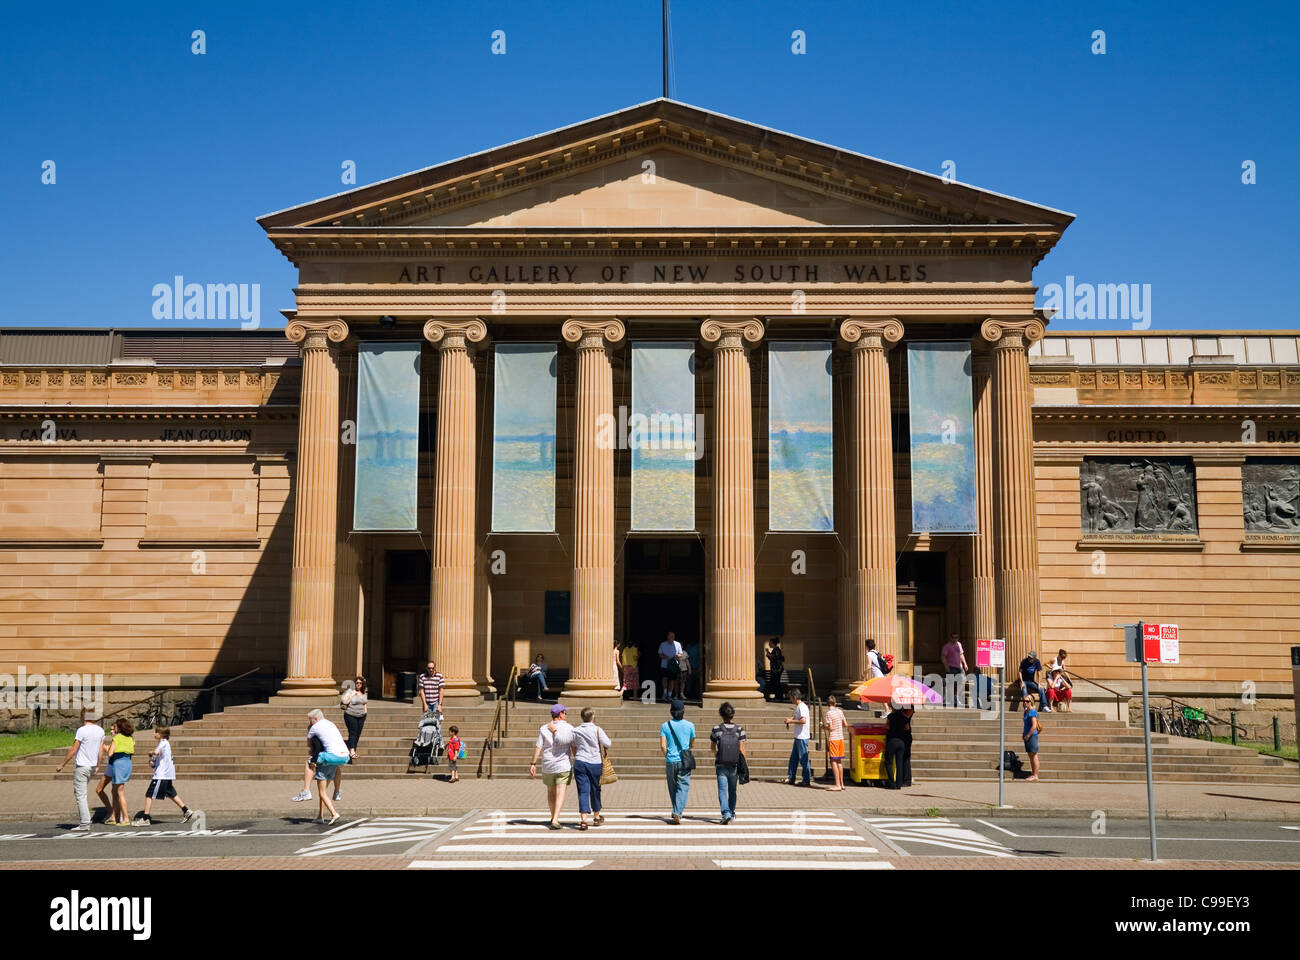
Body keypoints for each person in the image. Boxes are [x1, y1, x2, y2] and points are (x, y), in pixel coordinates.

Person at [133, 727, 196, 825]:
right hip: (167, 775)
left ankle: (145, 818)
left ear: (161, 734)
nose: (154, 734)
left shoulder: (163, 742)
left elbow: (156, 752)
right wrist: (152, 761)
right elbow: (154, 760)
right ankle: (186, 811)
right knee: (171, 794)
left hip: (161, 776)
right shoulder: (163, 744)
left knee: (149, 795)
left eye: (156, 732)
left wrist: (151, 752)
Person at [55, 709, 105, 831]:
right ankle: (85, 821)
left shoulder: (82, 730)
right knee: (82, 794)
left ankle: (84, 823)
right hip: (92, 766)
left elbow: (73, 749)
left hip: (82, 766)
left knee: (80, 795)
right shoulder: (100, 730)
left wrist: (62, 764)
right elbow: (101, 749)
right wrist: (98, 765)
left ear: (84, 717)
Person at [530, 703, 576, 829]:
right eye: (564, 712)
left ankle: (553, 816)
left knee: (550, 791)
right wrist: (578, 759)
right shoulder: (569, 728)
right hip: (563, 765)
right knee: (560, 792)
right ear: (560, 714)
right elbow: (573, 747)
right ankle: (555, 819)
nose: (565, 714)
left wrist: (533, 763)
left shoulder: (544, 728)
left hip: (548, 764)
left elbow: (538, 746)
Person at [307, 708, 349, 823]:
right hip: (343, 756)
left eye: (310, 720)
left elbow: (309, 744)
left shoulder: (315, 727)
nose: (309, 723)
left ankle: (333, 813)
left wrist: (313, 760)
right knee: (324, 791)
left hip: (329, 758)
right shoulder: (330, 723)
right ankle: (320, 816)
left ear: (315, 719)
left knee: (321, 791)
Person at [573, 707, 612, 830]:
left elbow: (572, 745)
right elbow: (608, 743)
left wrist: (577, 755)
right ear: (592, 717)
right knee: (595, 789)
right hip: (595, 762)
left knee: (583, 790)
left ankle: (584, 820)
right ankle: (596, 816)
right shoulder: (597, 730)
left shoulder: (576, 730)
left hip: (580, 761)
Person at [710, 702, 747, 823]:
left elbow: (712, 747)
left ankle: (725, 813)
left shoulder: (716, 729)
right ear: (733, 715)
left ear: (721, 714)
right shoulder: (739, 730)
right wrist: (743, 763)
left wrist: (718, 755)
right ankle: (731, 812)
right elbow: (741, 749)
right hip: (734, 765)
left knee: (722, 790)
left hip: (721, 764)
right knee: (732, 790)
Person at [659, 699, 695, 824]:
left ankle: (676, 811)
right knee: (683, 787)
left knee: (673, 787)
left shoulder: (665, 726)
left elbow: (663, 746)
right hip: (684, 760)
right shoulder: (690, 725)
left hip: (670, 761)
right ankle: (677, 812)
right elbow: (692, 743)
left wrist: (667, 755)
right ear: (683, 711)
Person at [95, 719, 135, 826]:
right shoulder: (130, 738)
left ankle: (125, 818)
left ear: (120, 727)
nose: (115, 728)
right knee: (117, 791)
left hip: (118, 764)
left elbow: (111, 753)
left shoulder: (117, 738)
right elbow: (131, 751)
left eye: (116, 727)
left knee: (120, 792)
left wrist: (106, 748)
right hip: (127, 764)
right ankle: (115, 817)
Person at [783, 686, 812, 786]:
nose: (790, 700)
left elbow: (803, 720)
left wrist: (791, 721)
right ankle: (791, 777)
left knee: (803, 759)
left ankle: (806, 779)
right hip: (798, 736)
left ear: (795, 697)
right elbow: (797, 717)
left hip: (802, 737)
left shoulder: (802, 707)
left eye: (791, 697)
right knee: (794, 758)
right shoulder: (799, 707)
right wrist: (790, 720)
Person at [884, 705, 913, 789]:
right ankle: (899, 784)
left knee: (888, 762)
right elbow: (907, 728)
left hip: (891, 741)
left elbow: (887, 726)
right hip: (901, 742)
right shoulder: (904, 718)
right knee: (899, 763)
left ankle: (891, 782)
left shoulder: (890, 716)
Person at [822, 694, 847, 791]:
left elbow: (831, 728)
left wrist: (823, 727)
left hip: (833, 738)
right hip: (841, 738)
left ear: (827, 704)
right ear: (835, 703)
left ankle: (837, 784)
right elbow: (845, 724)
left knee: (833, 761)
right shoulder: (840, 711)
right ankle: (842, 783)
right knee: (839, 761)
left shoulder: (829, 713)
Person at [341, 676, 368, 760]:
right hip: (350, 715)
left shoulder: (364, 692)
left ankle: (353, 750)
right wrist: (351, 694)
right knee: (353, 732)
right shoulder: (350, 691)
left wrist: (365, 711)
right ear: (354, 684)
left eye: (360, 683)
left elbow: (364, 703)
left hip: (361, 716)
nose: (358, 684)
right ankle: (351, 752)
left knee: (357, 734)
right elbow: (344, 701)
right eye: (357, 683)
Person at [940, 633, 968, 708]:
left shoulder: (959, 644)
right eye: (953, 637)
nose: (955, 639)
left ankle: (955, 695)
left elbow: (961, 654)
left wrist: (965, 663)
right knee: (950, 683)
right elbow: (943, 657)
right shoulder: (947, 646)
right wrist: (947, 667)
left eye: (956, 637)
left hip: (959, 667)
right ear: (950, 638)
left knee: (962, 680)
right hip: (951, 667)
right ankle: (952, 699)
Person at [1022, 695, 1042, 781]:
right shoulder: (1026, 711)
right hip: (1027, 735)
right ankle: (1033, 773)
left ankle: (1035, 775)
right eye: (1024, 701)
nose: (1025, 702)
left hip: (1031, 735)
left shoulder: (1032, 712)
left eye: (1027, 701)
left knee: (1034, 755)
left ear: (1031, 702)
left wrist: (1028, 735)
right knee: (1030, 755)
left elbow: (1034, 726)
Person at [658, 632, 683, 701]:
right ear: (668, 637)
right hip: (665, 665)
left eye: (673, 636)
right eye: (671, 636)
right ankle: (665, 693)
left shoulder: (677, 644)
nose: (672, 638)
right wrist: (665, 657)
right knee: (664, 679)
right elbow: (660, 655)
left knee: (672, 680)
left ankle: (669, 695)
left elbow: (681, 654)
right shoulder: (663, 644)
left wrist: (677, 656)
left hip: (673, 665)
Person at [765, 637, 786, 702]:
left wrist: (768, 653)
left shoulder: (776, 650)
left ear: (773, 643)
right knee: (775, 683)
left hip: (776, 670)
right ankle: (778, 696)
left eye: (770, 643)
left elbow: (774, 657)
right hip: (776, 670)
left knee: (776, 683)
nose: (769, 644)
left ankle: (779, 697)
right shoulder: (776, 650)